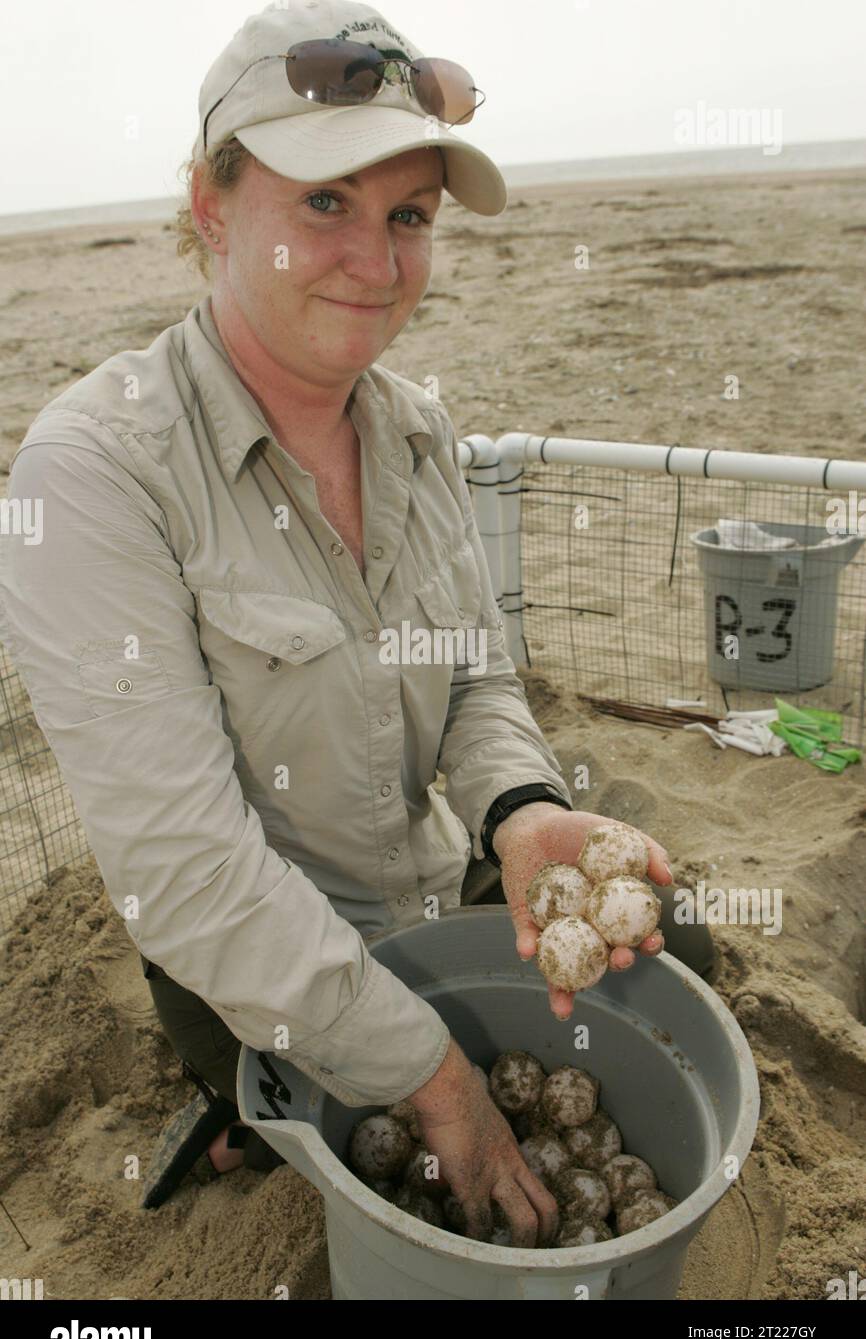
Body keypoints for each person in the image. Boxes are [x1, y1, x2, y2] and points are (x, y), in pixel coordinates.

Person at [0, 0, 714, 1246]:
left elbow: (476, 672)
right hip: (251, 970)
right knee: (370, 1157)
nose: (378, 266)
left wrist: (517, 812)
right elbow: (187, 877)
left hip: (427, 891)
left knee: (675, 948)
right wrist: (434, 1078)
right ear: (209, 205)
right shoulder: (93, 473)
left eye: (408, 218)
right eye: (324, 202)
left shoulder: (416, 427)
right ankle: (239, 1111)